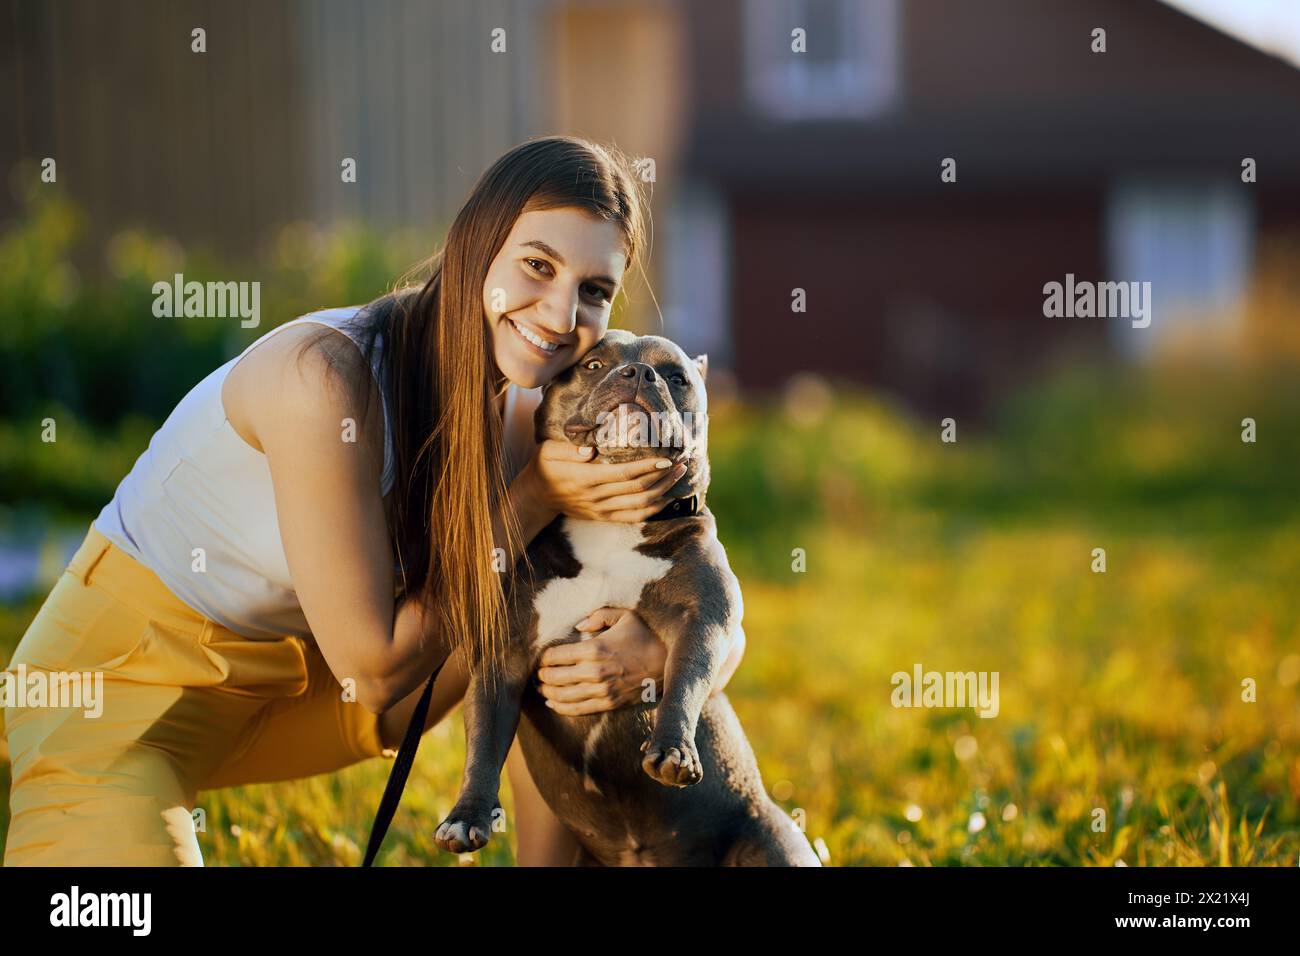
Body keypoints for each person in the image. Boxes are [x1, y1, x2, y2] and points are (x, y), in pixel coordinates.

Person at [1, 135, 745, 866]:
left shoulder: (535, 414)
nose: (558, 315)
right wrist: (532, 496)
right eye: (537, 266)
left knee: (562, 636)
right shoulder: (325, 379)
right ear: (474, 246)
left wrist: (648, 657)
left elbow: (704, 598)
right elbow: (377, 671)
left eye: (593, 292)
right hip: (114, 698)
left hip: (306, 698)